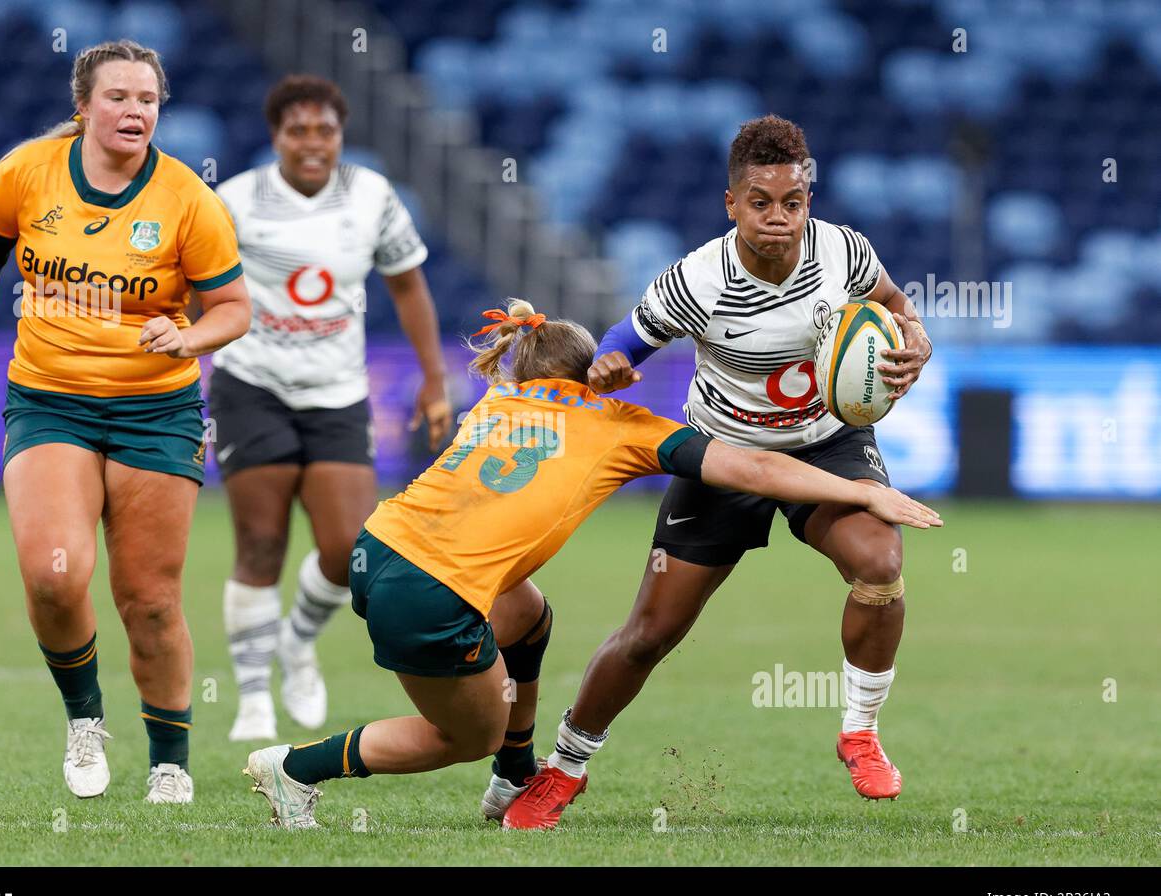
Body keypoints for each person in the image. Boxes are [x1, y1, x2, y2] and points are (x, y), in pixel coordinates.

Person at [237, 299, 941, 830]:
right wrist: (858, 488)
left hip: (380, 546)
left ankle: (516, 770)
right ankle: (295, 769)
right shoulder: (619, 427)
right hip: (432, 591)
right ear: (594, 377)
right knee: (460, 734)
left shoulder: (500, 395)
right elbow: (755, 466)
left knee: (528, 615)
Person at [502, 115, 935, 830]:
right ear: (731, 203)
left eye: (792, 202)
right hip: (724, 457)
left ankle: (859, 731)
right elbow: (624, 340)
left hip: (826, 444)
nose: (778, 218)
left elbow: (893, 303)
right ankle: (564, 768)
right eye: (760, 202)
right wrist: (613, 364)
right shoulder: (697, 280)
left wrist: (914, 337)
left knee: (881, 562)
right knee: (649, 633)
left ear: (808, 199)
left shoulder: (845, 251)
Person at [0, 40, 250, 803]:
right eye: (118, 97)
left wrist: (189, 335)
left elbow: (234, 310)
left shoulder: (187, 199)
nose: (135, 110)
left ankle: (169, 760)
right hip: (49, 398)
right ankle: (84, 722)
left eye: (147, 99)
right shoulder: (28, 170)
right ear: (83, 107)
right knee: (52, 575)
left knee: (149, 599)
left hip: (157, 409)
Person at [209, 74, 452, 741]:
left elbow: (408, 288)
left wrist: (434, 380)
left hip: (338, 393)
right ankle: (254, 696)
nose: (313, 143)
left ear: (341, 135)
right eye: (298, 131)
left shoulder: (372, 196)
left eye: (326, 130)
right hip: (251, 386)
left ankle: (296, 642)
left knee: (349, 550)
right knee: (260, 544)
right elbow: (200, 286)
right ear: (276, 136)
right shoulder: (236, 200)